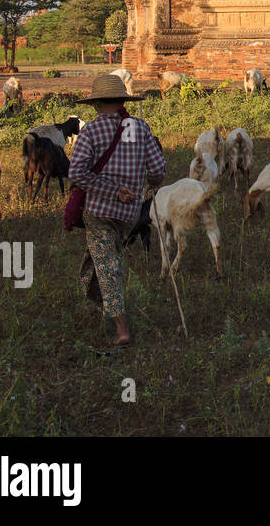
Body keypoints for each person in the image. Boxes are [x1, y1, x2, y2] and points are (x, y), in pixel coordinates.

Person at [67, 73, 166, 345]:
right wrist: (146, 183)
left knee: (107, 264)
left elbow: (76, 173)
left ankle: (122, 329)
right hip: (129, 215)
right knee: (95, 261)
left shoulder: (91, 131)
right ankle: (100, 304)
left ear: (96, 104)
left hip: (99, 211)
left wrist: (111, 190)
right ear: (122, 100)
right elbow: (158, 171)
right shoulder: (141, 128)